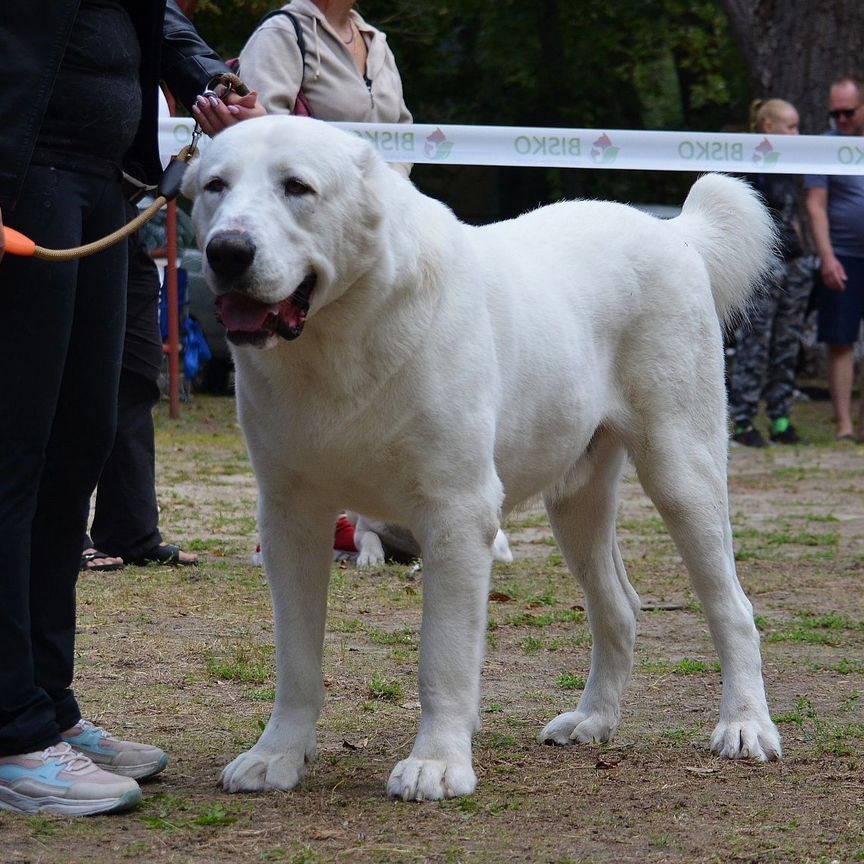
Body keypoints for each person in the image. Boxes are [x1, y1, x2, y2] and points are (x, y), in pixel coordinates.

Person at [0, 1, 261, 817]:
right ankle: (10, 732)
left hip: (103, 183)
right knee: (13, 455)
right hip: (20, 176)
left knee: (82, 442)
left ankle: (48, 706)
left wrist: (210, 78)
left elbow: (155, 17)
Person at [237, 0, 413, 177]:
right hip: (312, 199)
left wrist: (394, 184)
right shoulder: (279, 33)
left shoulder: (377, 42)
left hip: (383, 200)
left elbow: (405, 130)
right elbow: (265, 134)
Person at [729, 99, 813, 447]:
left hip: (795, 263)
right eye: (790, 126)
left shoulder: (790, 166)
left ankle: (781, 417)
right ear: (767, 128)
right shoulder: (747, 165)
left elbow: (794, 215)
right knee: (755, 344)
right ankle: (744, 420)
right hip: (762, 267)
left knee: (786, 343)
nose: (797, 133)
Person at [805, 76, 864, 442]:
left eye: (848, 112)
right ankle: (844, 424)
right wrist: (827, 257)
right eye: (835, 113)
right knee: (840, 341)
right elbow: (816, 204)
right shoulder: (823, 147)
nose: (840, 120)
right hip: (842, 255)